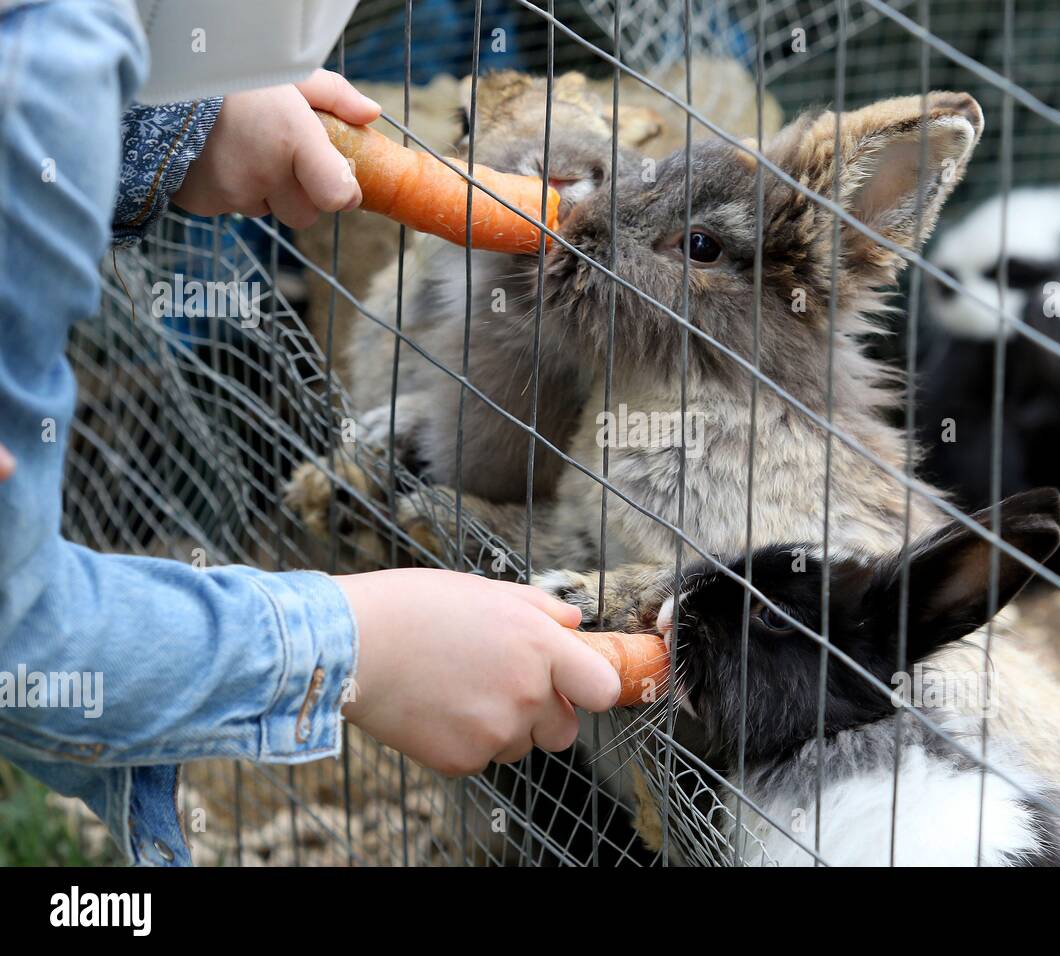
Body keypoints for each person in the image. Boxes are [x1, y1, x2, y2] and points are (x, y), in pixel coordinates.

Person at [0, 0, 621, 866]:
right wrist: (356, 644)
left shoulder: (51, 53)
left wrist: (181, 121)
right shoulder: (47, 58)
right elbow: (18, 627)